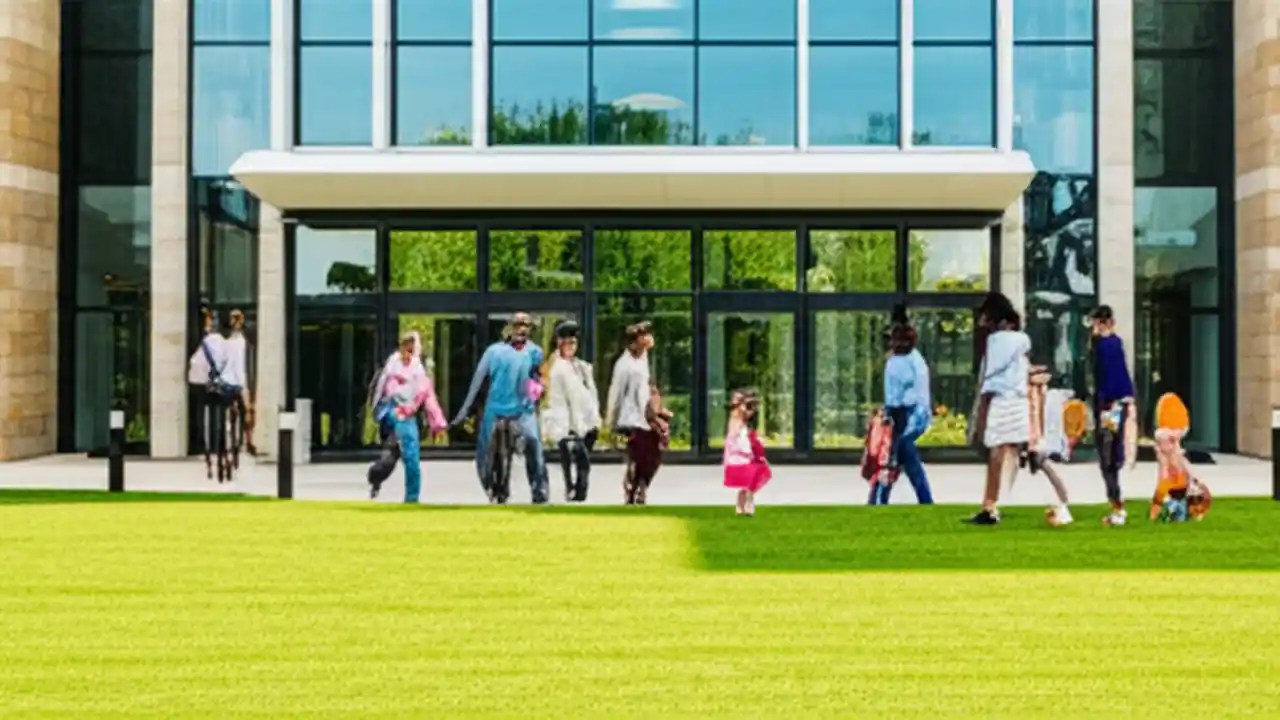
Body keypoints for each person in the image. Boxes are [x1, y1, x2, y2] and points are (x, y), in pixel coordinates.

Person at [453, 312, 550, 504]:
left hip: (523, 410)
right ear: (510, 327)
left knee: (534, 445)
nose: (521, 329)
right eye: (518, 325)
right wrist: (464, 412)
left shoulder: (534, 352)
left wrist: (539, 390)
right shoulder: (494, 352)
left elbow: (541, 376)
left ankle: (540, 492)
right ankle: (495, 488)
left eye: (526, 325)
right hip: (496, 408)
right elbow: (477, 381)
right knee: (487, 452)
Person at [968, 293, 1031, 526]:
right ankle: (993, 503)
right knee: (1015, 452)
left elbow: (990, 378)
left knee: (996, 453)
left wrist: (981, 413)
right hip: (1019, 400)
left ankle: (990, 504)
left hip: (1002, 401)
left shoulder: (996, 342)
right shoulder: (1021, 342)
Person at [370, 331, 447, 503]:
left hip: (407, 415)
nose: (408, 352)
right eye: (406, 347)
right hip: (393, 412)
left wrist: (438, 424)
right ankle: (402, 491)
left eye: (412, 349)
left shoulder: (419, 373)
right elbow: (385, 391)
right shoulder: (391, 368)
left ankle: (407, 494)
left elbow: (429, 399)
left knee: (394, 458)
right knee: (408, 450)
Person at [605, 321, 671, 505]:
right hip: (631, 418)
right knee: (638, 455)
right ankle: (634, 487)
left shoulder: (645, 359)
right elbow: (616, 392)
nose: (649, 339)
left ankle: (641, 484)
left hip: (647, 417)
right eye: (644, 336)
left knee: (653, 455)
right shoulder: (624, 364)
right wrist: (611, 421)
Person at [542, 320, 601, 503]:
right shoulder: (557, 368)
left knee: (581, 460)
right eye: (567, 343)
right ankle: (574, 491)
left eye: (573, 343)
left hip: (586, 421)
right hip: (567, 423)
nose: (571, 347)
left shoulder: (581, 366)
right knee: (576, 460)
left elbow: (589, 395)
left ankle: (575, 490)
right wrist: (574, 426)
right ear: (559, 343)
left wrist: (595, 419)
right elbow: (566, 400)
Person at [1090, 305, 1137, 526]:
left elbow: (1104, 377)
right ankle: (1116, 502)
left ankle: (1117, 505)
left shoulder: (1103, 346)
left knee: (1107, 455)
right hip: (1118, 402)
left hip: (1109, 405)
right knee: (1111, 453)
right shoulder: (1116, 344)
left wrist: (1104, 404)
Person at [883, 322, 934, 504]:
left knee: (899, 453)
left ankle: (881, 496)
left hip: (909, 412)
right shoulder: (893, 361)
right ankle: (923, 498)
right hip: (895, 412)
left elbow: (920, 396)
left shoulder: (915, 362)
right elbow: (890, 392)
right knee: (894, 456)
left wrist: (914, 423)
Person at [1025, 366, 1076, 526]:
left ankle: (1061, 506)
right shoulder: (1033, 393)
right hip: (1039, 440)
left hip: (1046, 442)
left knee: (1049, 470)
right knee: (1045, 470)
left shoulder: (1050, 396)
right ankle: (1058, 506)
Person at [722, 389, 771, 516]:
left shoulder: (741, 421)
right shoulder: (735, 418)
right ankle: (744, 506)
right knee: (747, 482)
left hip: (744, 454)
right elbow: (735, 440)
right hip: (740, 455)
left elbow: (747, 414)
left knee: (748, 482)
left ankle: (744, 506)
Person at [223, 309, 255, 457]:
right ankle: (232, 442)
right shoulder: (226, 342)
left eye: (238, 318)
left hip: (243, 381)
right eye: (233, 318)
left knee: (248, 412)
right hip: (229, 380)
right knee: (231, 413)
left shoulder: (247, 341)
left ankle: (248, 441)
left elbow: (250, 362)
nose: (235, 321)